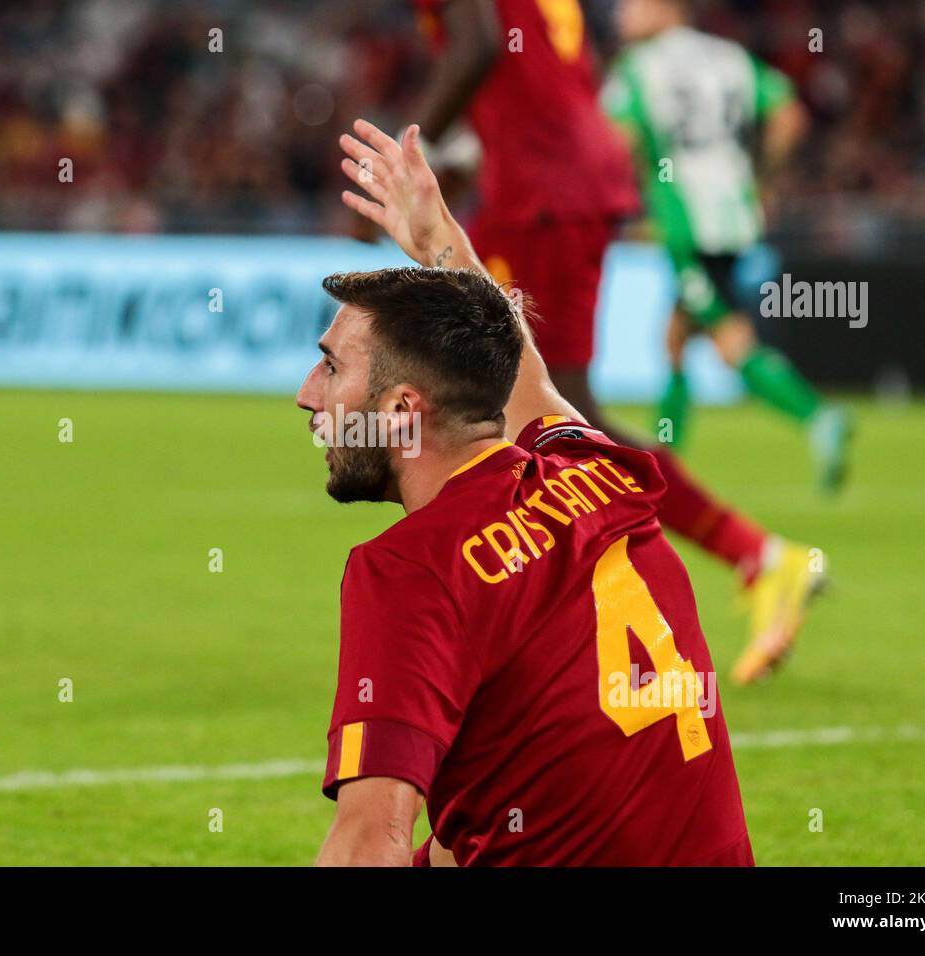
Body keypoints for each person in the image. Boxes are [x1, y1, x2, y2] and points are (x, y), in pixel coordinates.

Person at [306, 119, 752, 866]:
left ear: (403, 412)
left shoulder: (410, 570)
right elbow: (527, 378)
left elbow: (369, 840)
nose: (305, 396)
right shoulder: (589, 468)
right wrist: (440, 240)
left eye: (329, 370)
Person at [404, 0, 825, 684]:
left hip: (546, 196)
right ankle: (730, 565)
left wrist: (404, 154)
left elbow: (479, 46)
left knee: (540, 413)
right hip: (554, 186)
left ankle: (739, 563)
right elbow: (536, 75)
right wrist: (461, 157)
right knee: (535, 409)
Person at [604, 0, 853, 490]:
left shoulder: (638, 68)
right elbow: (790, 116)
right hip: (734, 215)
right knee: (675, 339)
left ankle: (818, 416)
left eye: (631, 5)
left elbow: (617, 139)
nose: (620, 15)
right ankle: (665, 462)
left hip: (686, 223)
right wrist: (760, 178)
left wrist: (624, 197)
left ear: (664, 10)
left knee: (729, 343)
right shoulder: (730, 57)